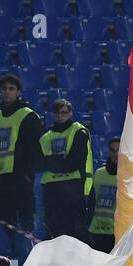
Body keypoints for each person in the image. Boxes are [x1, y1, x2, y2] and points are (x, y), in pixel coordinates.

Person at [0, 74, 43, 257]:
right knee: (5, 221)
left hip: (20, 178)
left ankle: (30, 257)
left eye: (11, 89)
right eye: (4, 89)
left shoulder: (28, 116)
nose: (7, 92)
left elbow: (35, 148)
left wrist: (26, 174)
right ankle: (11, 258)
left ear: (18, 92)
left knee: (25, 222)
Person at [37, 98, 93, 243]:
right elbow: (38, 163)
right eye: (57, 113)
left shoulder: (78, 131)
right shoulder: (45, 137)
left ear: (71, 113)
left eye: (64, 112)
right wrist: (62, 159)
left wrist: (51, 160)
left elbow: (75, 162)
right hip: (52, 190)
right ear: (52, 114)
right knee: (56, 232)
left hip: (74, 188)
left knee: (77, 232)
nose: (60, 116)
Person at [87, 136, 119, 253]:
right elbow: (92, 203)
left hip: (117, 232)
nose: (115, 154)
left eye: (118, 150)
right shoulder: (99, 174)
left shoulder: (127, 177)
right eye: (112, 150)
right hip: (96, 230)